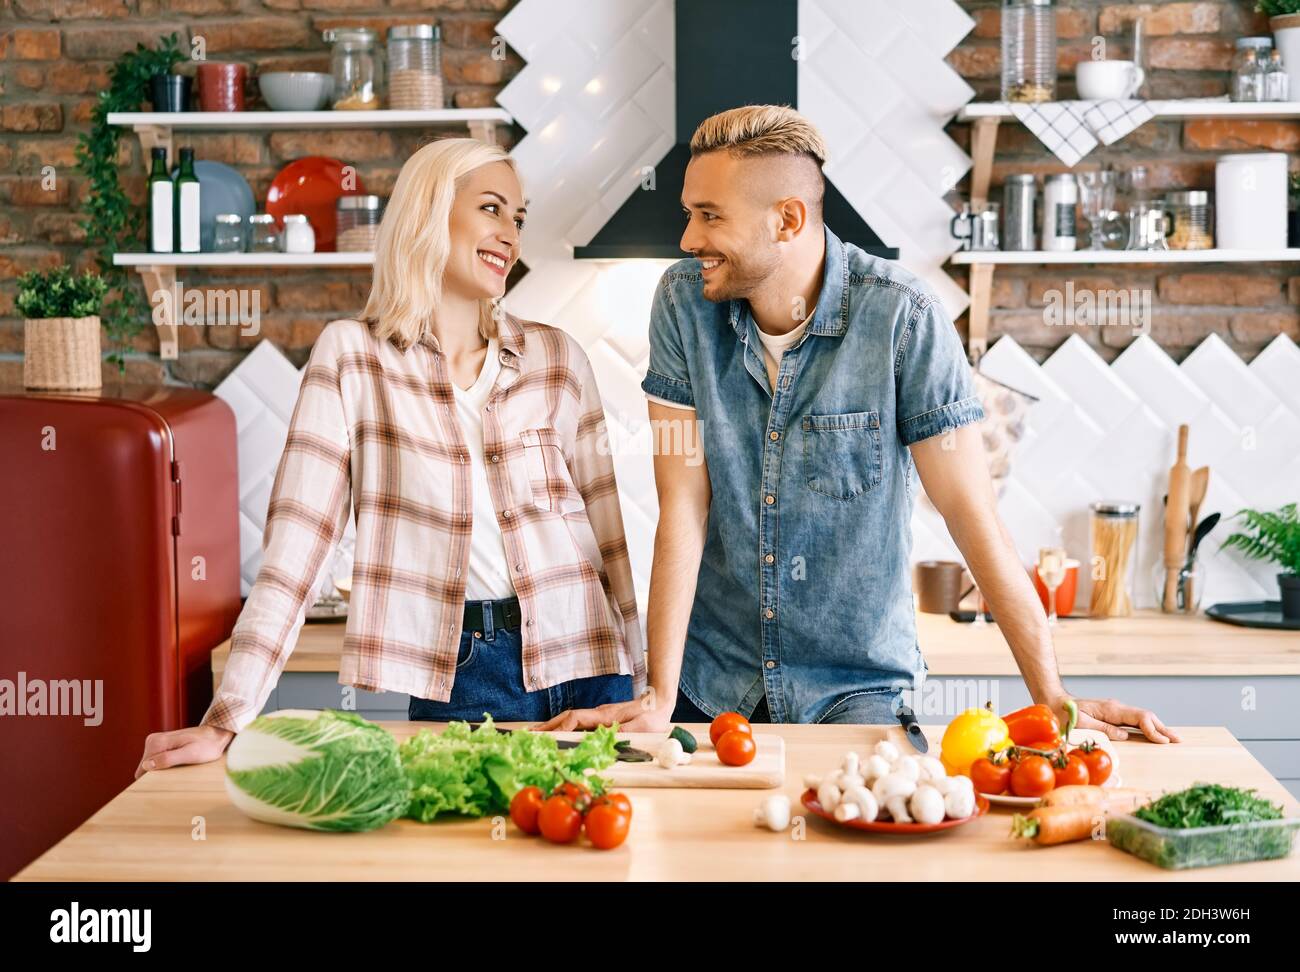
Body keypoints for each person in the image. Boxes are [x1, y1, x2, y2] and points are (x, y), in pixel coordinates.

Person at [537, 105, 1178, 743]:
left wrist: (1053, 698)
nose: (688, 239)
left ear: (786, 218)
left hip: (856, 689)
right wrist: (660, 693)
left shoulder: (903, 319)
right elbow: (683, 508)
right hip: (713, 684)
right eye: (689, 213)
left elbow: (968, 513)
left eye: (710, 216)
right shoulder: (682, 304)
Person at [136, 137, 644, 777]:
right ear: (432, 211)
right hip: (465, 673)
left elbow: (606, 532)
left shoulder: (556, 357)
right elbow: (297, 549)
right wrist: (228, 717)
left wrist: (646, 681)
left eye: (519, 218)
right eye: (492, 209)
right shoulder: (353, 356)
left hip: (590, 660)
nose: (510, 234)